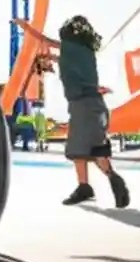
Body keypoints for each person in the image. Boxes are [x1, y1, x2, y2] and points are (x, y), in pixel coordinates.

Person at [17, 16, 130, 208]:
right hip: (94, 105)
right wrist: (48, 59)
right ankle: (95, 184)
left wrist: (26, 27)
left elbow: (46, 41)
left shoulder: (71, 49)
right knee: (92, 149)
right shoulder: (85, 53)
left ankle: (101, 183)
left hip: (83, 105)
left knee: (80, 150)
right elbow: (61, 58)